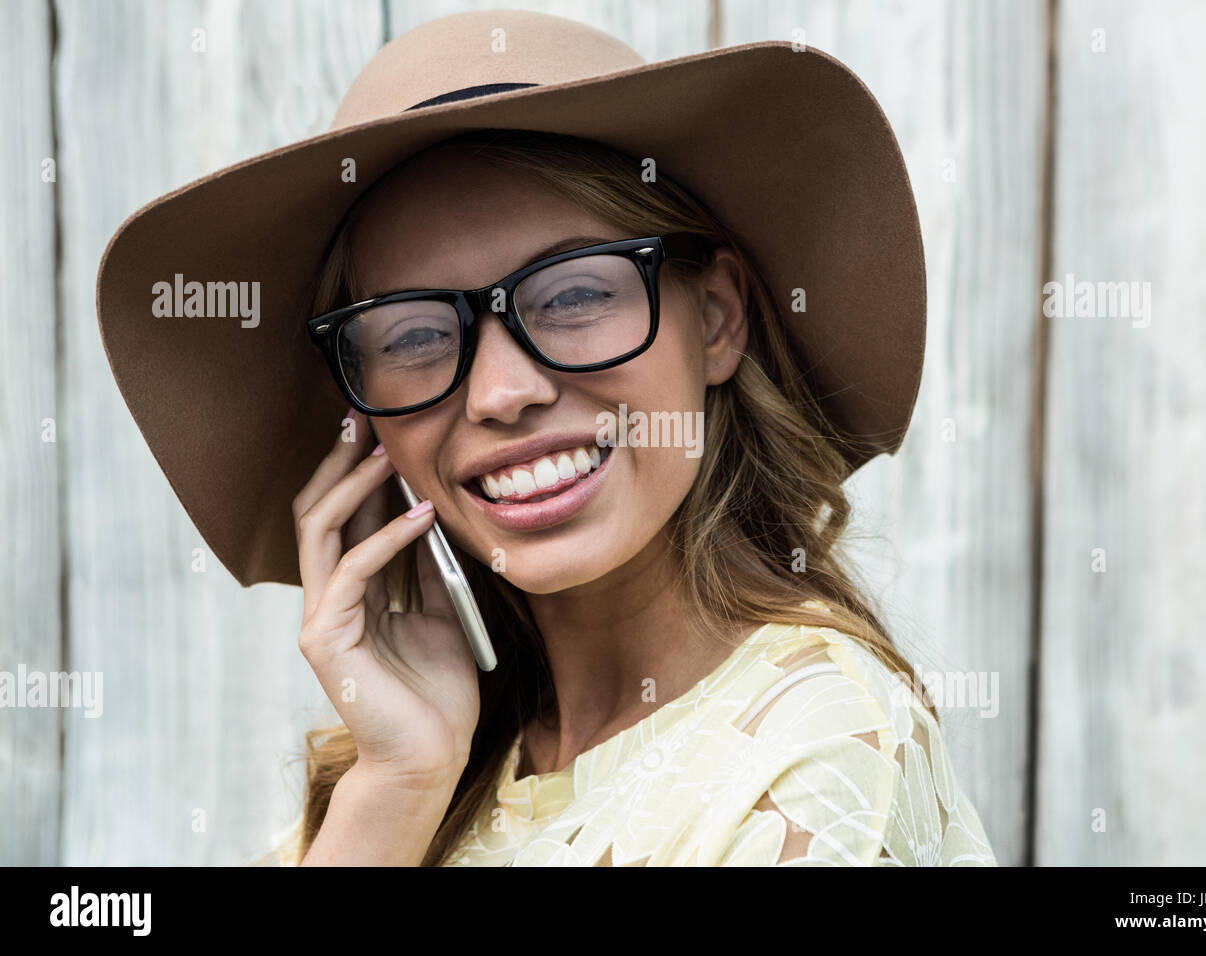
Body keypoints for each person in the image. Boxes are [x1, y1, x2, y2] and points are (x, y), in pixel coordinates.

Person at [96, 11, 996, 867]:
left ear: (717, 319)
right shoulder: (430, 757)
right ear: (362, 415)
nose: (500, 392)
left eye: (572, 296)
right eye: (414, 334)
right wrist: (397, 789)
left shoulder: (814, 750)